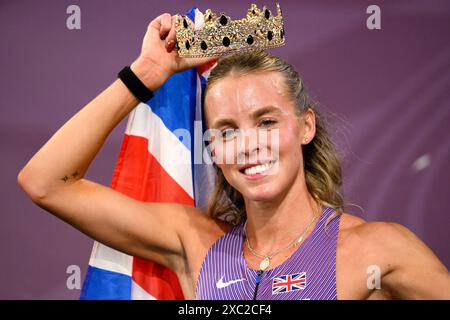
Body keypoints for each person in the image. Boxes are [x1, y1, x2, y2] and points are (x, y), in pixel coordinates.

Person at [18, 13, 450, 300]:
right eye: (226, 130)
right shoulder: (194, 243)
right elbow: (45, 181)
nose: (248, 145)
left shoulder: (376, 250)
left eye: (266, 122)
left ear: (305, 126)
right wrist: (145, 76)